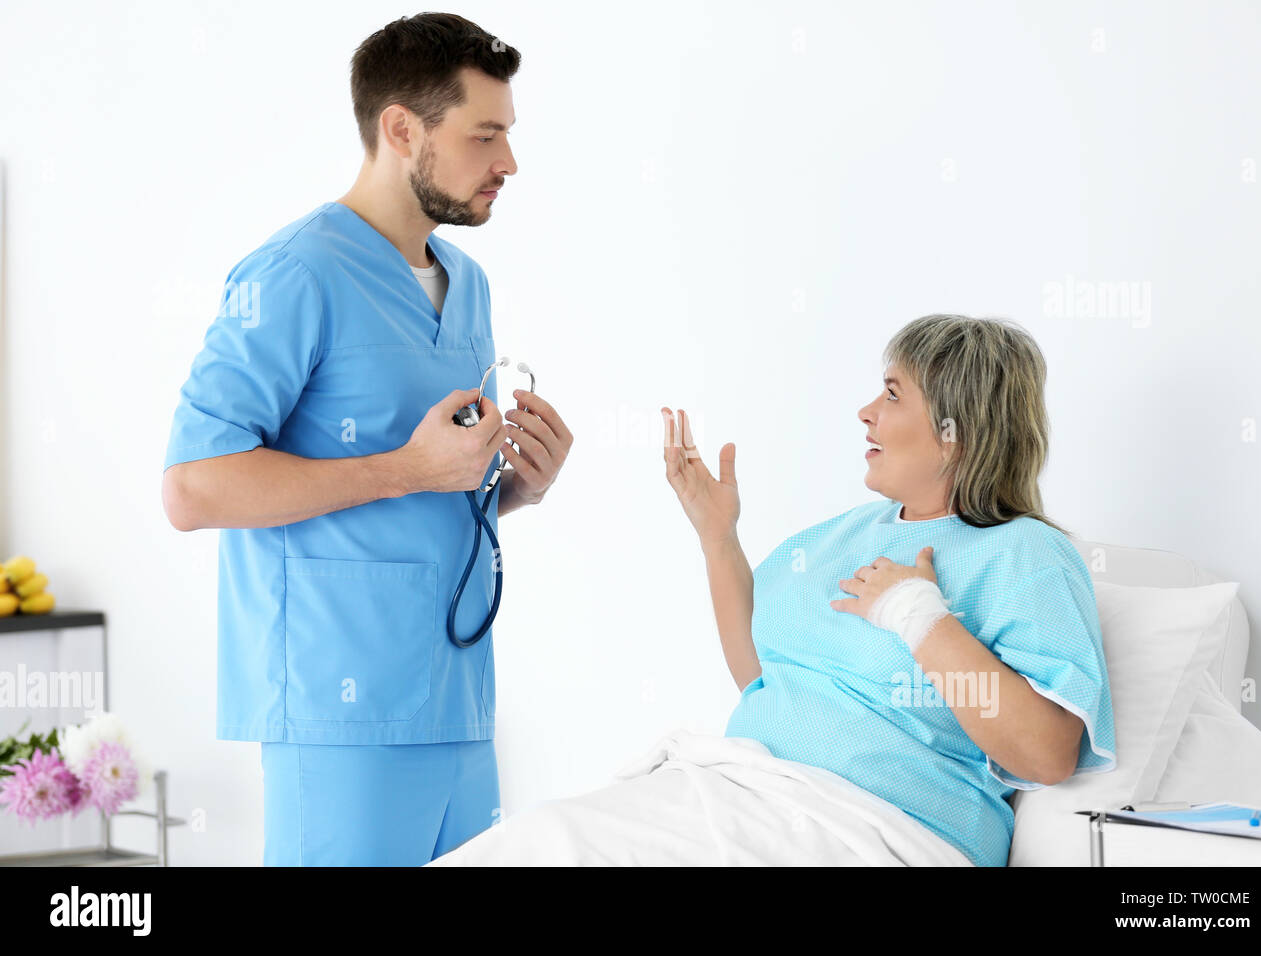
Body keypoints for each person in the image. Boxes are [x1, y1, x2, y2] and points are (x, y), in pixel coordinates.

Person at [430, 314, 1115, 867]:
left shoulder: (1024, 553)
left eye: (893, 394)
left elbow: (1047, 755)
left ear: (955, 432)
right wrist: (717, 533)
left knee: (560, 851)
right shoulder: (843, 534)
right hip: (741, 788)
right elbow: (759, 676)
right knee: (533, 843)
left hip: (877, 825)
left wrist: (921, 618)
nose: (865, 412)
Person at [161, 13, 572, 866]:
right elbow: (194, 488)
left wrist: (509, 490)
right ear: (400, 128)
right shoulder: (294, 274)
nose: (509, 163)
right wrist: (406, 468)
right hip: (339, 712)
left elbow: (430, 483)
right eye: (485, 134)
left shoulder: (469, 284)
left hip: (456, 700)